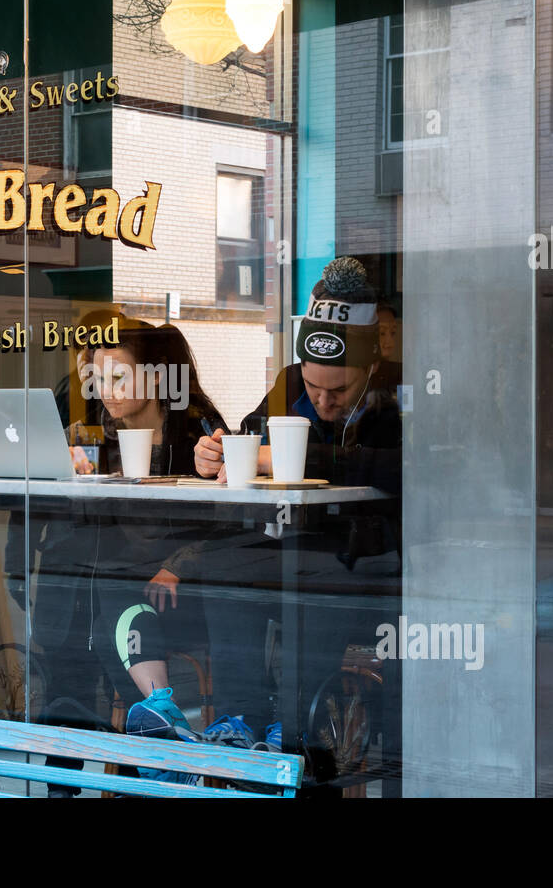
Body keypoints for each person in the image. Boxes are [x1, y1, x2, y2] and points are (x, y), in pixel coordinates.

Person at [152, 255, 403, 755]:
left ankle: (302, 737)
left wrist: (287, 457)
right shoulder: (287, 383)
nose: (325, 401)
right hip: (294, 549)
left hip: (368, 561)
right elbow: (249, 436)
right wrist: (217, 453)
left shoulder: (396, 391)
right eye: (314, 387)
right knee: (225, 569)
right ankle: (239, 721)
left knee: (310, 586)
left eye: (340, 389)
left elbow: (398, 467)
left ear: (370, 367)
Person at [5, 319, 228, 786]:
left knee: (107, 616)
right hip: (106, 592)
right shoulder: (89, 433)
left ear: (158, 375)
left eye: (119, 377)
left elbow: (229, 523)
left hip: (175, 593)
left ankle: (150, 755)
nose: (105, 390)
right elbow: (36, 508)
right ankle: (130, 756)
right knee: (79, 634)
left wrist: (177, 566)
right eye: (99, 378)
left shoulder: (198, 435)